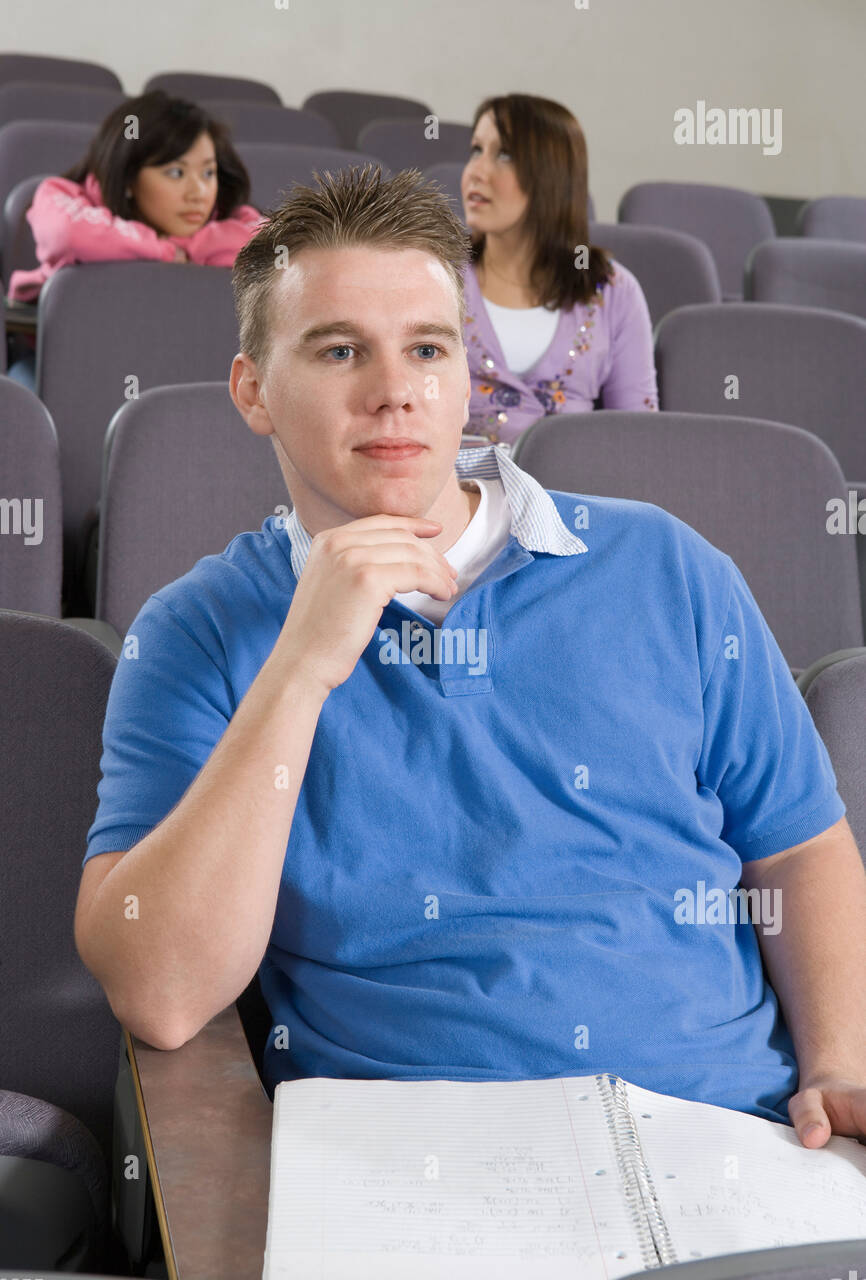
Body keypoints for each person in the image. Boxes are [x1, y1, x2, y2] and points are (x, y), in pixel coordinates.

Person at [75, 164, 866, 1152]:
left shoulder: (666, 565)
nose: (394, 391)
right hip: (412, 1172)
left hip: (723, 1137)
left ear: (467, 378)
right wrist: (301, 666)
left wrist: (839, 1063)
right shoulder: (195, 629)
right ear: (253, 392)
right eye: (337, 349)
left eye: (427, 348)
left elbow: (795, 845)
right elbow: (160, 993)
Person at [6, 90, 262, 387]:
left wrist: (186, 249)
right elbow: (70, 235)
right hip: (71, 376)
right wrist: (167, 252)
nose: (199, 193)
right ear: (128, 179)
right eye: (176, 172)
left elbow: (276, 250)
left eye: (208, 173)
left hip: (184, 379)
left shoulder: (235, 219)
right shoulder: (61, 196)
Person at [458, 94, 658, 446]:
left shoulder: (613, 291)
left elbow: (638, 442)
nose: (476, 171)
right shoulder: (437, 274)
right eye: (477, 150)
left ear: (551, 177)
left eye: (504, 155)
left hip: (566, 497)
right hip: (453, 494)